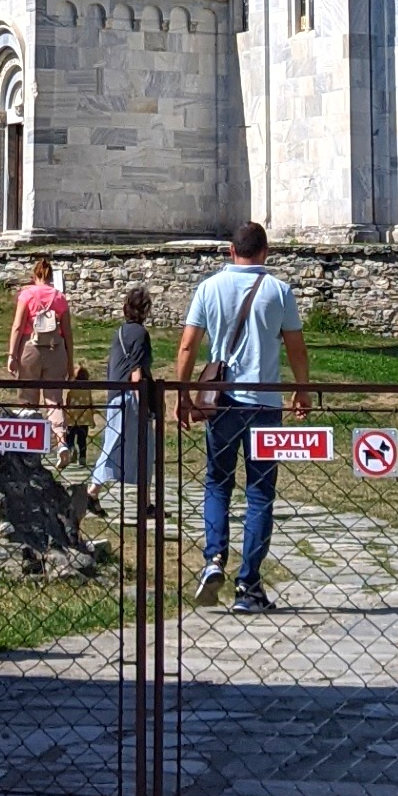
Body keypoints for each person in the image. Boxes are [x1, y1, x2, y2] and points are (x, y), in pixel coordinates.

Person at [174, 224, 311, 614]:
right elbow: (296, 348)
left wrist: (182, 395)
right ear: (265, 251)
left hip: (224, 401)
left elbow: (188, 344)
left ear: (232, 250)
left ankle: (214, 558)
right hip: (265, 403)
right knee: (260, 493)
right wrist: (302, 389)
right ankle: (248, 584)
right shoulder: (278, 291)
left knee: (218, 481)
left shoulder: (209, 288)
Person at [85, 286, 153, 514]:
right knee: (117, 444)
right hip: (130, 397)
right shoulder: (141, 334)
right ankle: (91, 492)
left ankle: (145, 501)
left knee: (140, 446)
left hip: (116, 395)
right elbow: (136, 371)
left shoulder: (120, 332)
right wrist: (141, 402)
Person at [6, 255, 72, 458]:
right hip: (55, 349)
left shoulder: (26, 295)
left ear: (34, 276)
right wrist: (70, 362)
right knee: (54, 400)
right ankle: (61, 441)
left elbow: (18, 327)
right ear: (51, 276)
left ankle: (28, 446)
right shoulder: (60, 298)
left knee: (27, 399)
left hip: (30, 348)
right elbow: (68, 333)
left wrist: (12, 354)